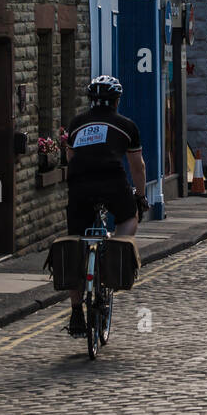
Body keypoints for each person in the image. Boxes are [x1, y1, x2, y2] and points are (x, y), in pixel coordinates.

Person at [64, 75, 146, 336]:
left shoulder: (76, 124)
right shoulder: (126, 126)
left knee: (76, 243)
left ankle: (76, 312)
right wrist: (140, 198)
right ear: (117, 101)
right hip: (111, 181)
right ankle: (114, 254)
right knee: (128, 216)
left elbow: (70, 157)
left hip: (79, 184)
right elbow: (137, 166)